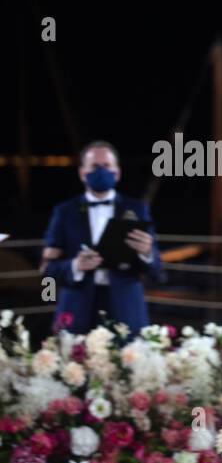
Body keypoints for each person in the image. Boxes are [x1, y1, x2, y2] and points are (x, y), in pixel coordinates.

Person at [40, 140, 162, 336]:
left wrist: (147, 252)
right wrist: (75, 265)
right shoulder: (64, 212)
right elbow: (47, 271)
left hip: (126, 310)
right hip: (77, 309)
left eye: (106, 166)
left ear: (118, 172)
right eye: (95, 166)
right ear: (82, 173)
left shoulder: (138, 210)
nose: (101, 171)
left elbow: (157, 269)